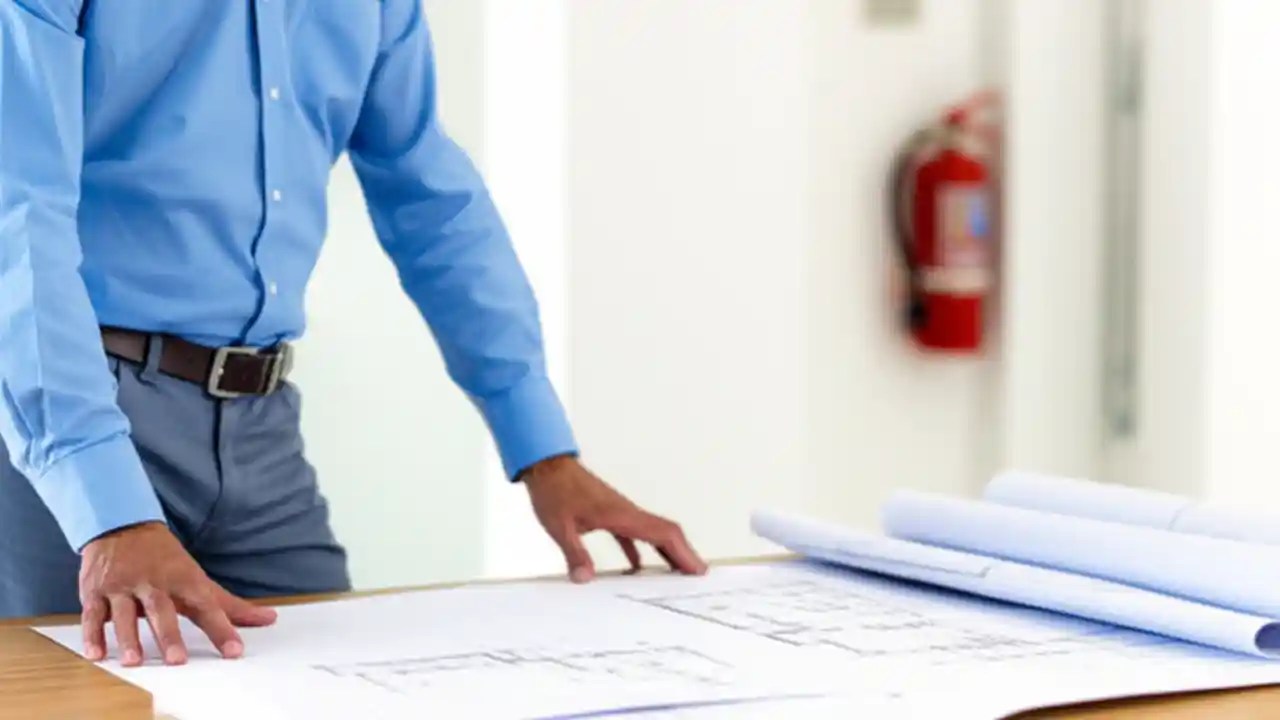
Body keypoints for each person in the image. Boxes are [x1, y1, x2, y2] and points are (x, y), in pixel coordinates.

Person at [0, 0, 706, 667]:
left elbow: (430, 198)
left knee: (335, 684)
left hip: (261, 434)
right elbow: (18, 216)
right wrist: (107, 510)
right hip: (64, 415)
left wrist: (545, 452)